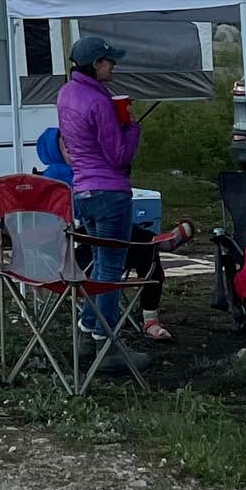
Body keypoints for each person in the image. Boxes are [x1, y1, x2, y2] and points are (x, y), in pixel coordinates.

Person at [35, 123, 191, 342]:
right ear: (53, 150)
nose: (71, 147)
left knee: (132, 242)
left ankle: (154, 246)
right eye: (64, 144)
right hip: (81, 260)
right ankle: (147, 319)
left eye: (72, 141)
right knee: (139, 246)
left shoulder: (43, 180)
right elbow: (84, 216)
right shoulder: (65, 176)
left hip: (60, 261)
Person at [56, 34, 144, 339]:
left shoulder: (66, 93)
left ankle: (88, 324)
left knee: (99, 261)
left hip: (83, 190)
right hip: (109, 192)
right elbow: (119, 156)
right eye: (110, 61)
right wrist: (131, 127)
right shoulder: (99, 101)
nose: (114, 66)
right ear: (96, 63)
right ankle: (104, 338)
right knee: (111, 267)